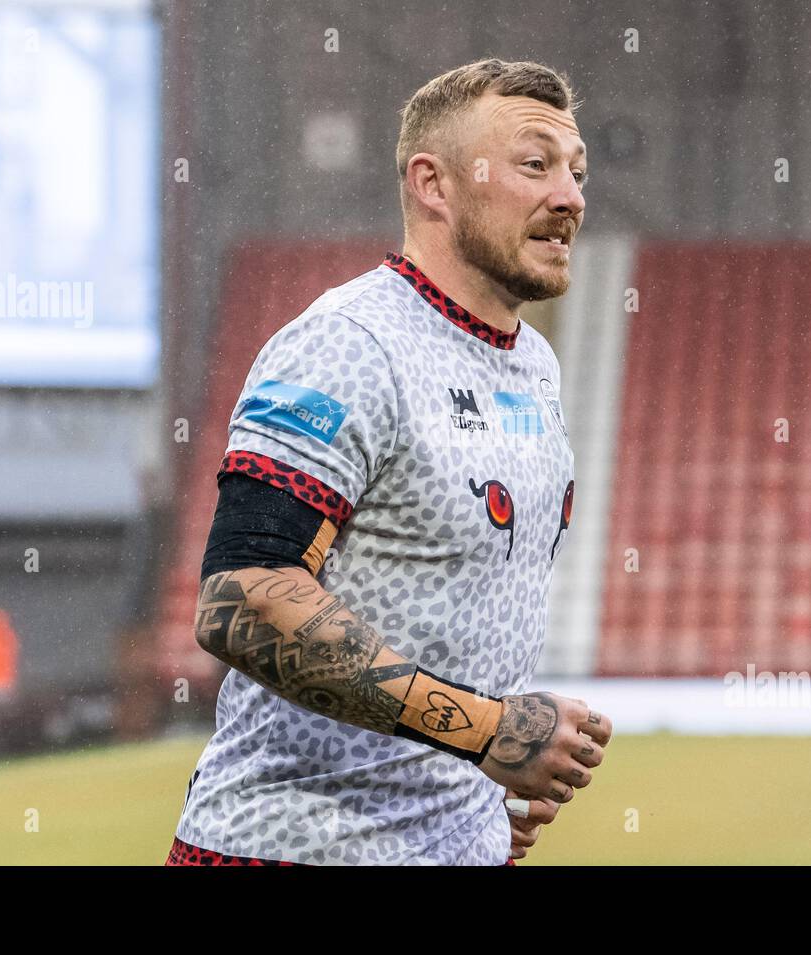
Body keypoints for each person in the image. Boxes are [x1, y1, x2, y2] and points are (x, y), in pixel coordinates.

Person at [169, 58, 611, 866]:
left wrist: (474, 803)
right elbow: (242, 597)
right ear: (434, 184)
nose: (571, 197)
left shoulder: (534, 366)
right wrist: (486, 734)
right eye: (535, 164)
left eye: (577, 173)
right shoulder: (348, 343)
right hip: (291, 850)